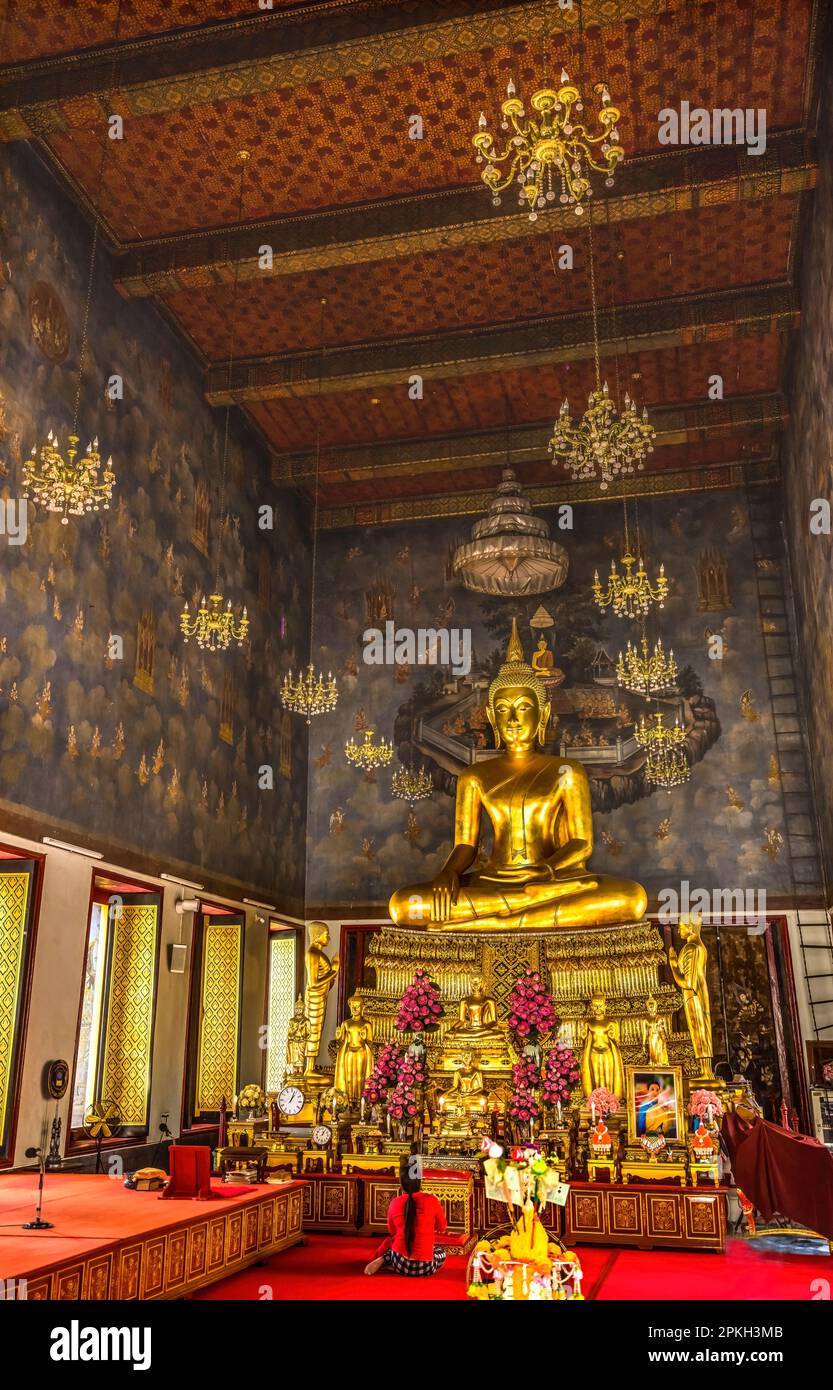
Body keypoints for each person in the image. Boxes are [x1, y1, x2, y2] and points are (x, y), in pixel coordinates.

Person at [364, 1157, 447, 1278]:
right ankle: (390, 1261)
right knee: (441, 1252)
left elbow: (392, 1232)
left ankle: (386, 1259)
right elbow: (442, 1227)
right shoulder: (432, 1200)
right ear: (419, 1182)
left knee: (394, 1243)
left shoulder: (395, 1202)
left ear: (401, 1183)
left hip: (400, 1263)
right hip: (426, 1267)